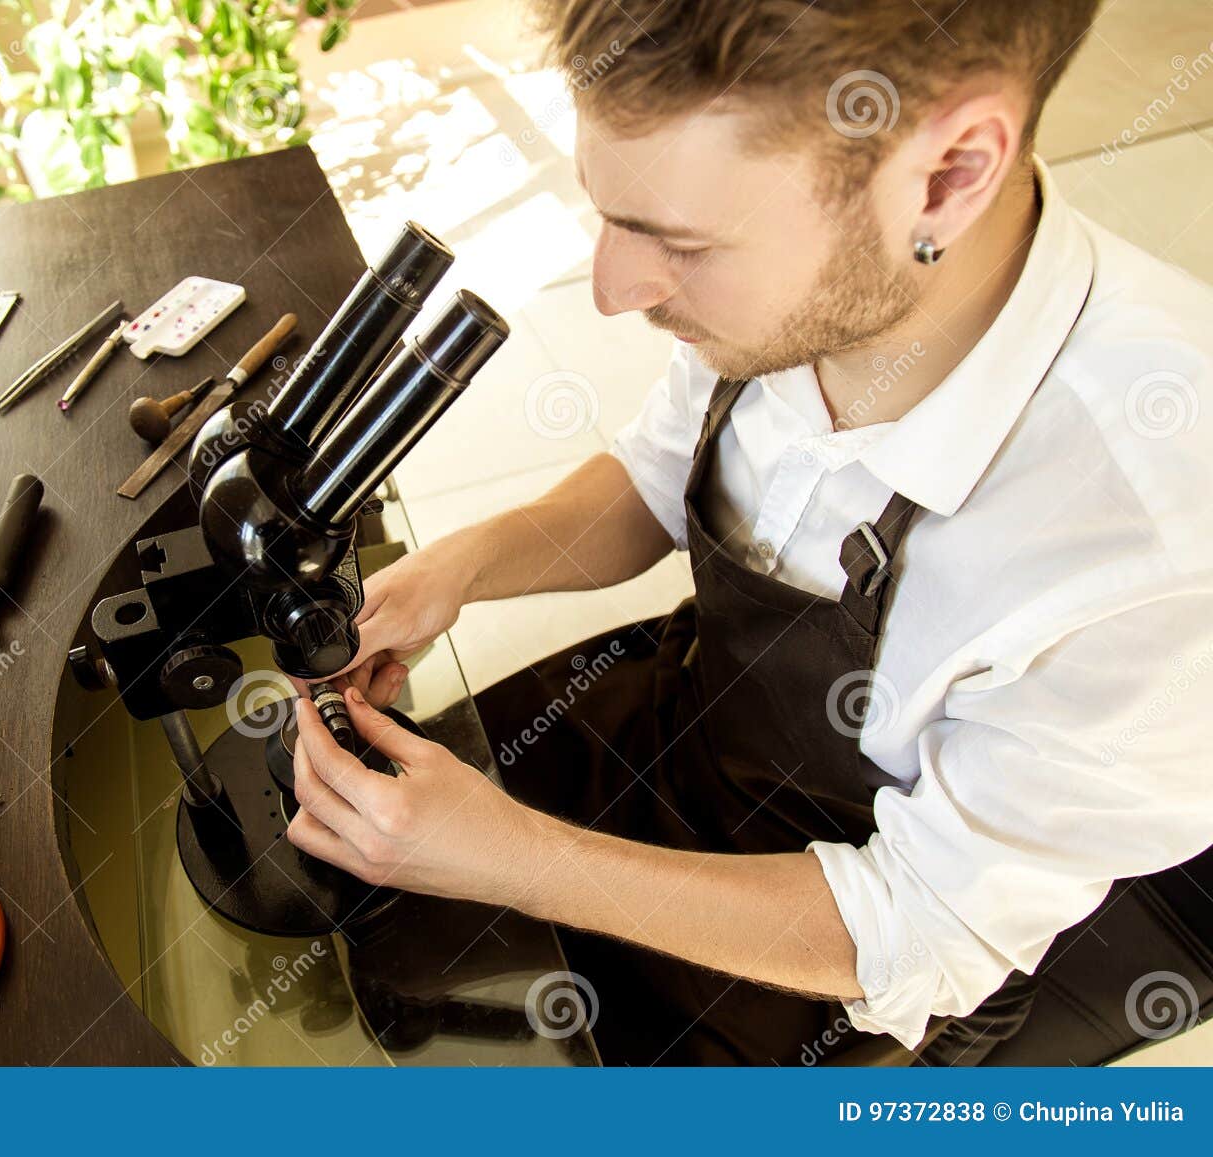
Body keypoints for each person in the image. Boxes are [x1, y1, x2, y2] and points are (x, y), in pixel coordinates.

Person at [283, 0, 1213, 1065]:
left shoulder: (1159, 537)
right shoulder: (819, 288)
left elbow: (917, 926)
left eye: (677, 243)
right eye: (610, 213)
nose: (610, 289)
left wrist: (520, 861)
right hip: (690, 721)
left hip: (842, 959)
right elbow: (661, 468)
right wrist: (461, 568)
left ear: (950, 177)